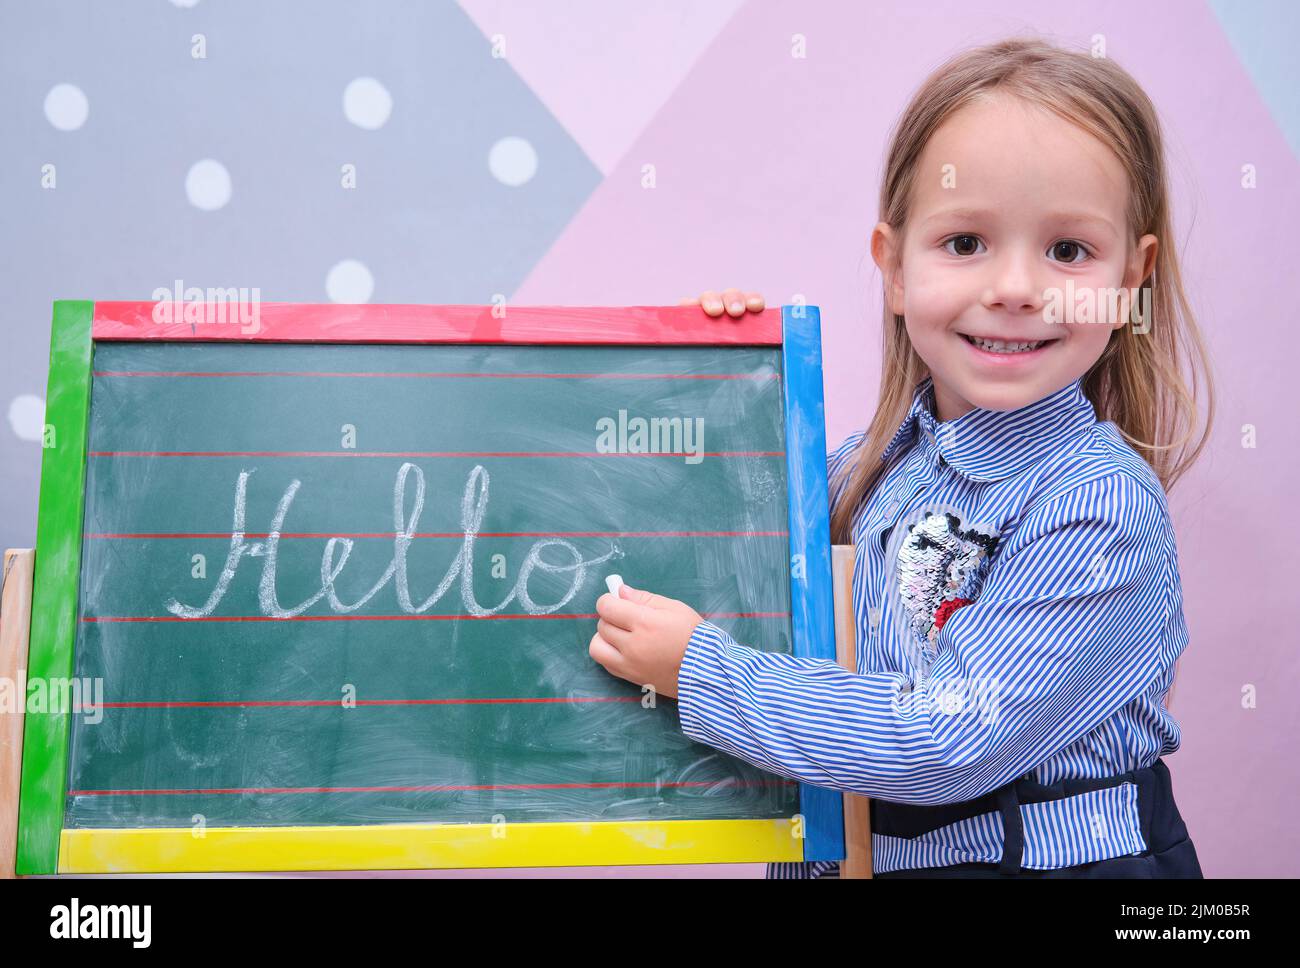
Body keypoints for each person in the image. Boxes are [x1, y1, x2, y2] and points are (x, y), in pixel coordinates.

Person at [589, 37, 1213, 878]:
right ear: (892, 268)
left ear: (1129, 280)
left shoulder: (1099, 506)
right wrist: (701, 376)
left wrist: (702, 672)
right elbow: (695, 552)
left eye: (1068, 250)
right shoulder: (861, 470)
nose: (1016, 287)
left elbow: (951, 739)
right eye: (965, 243)